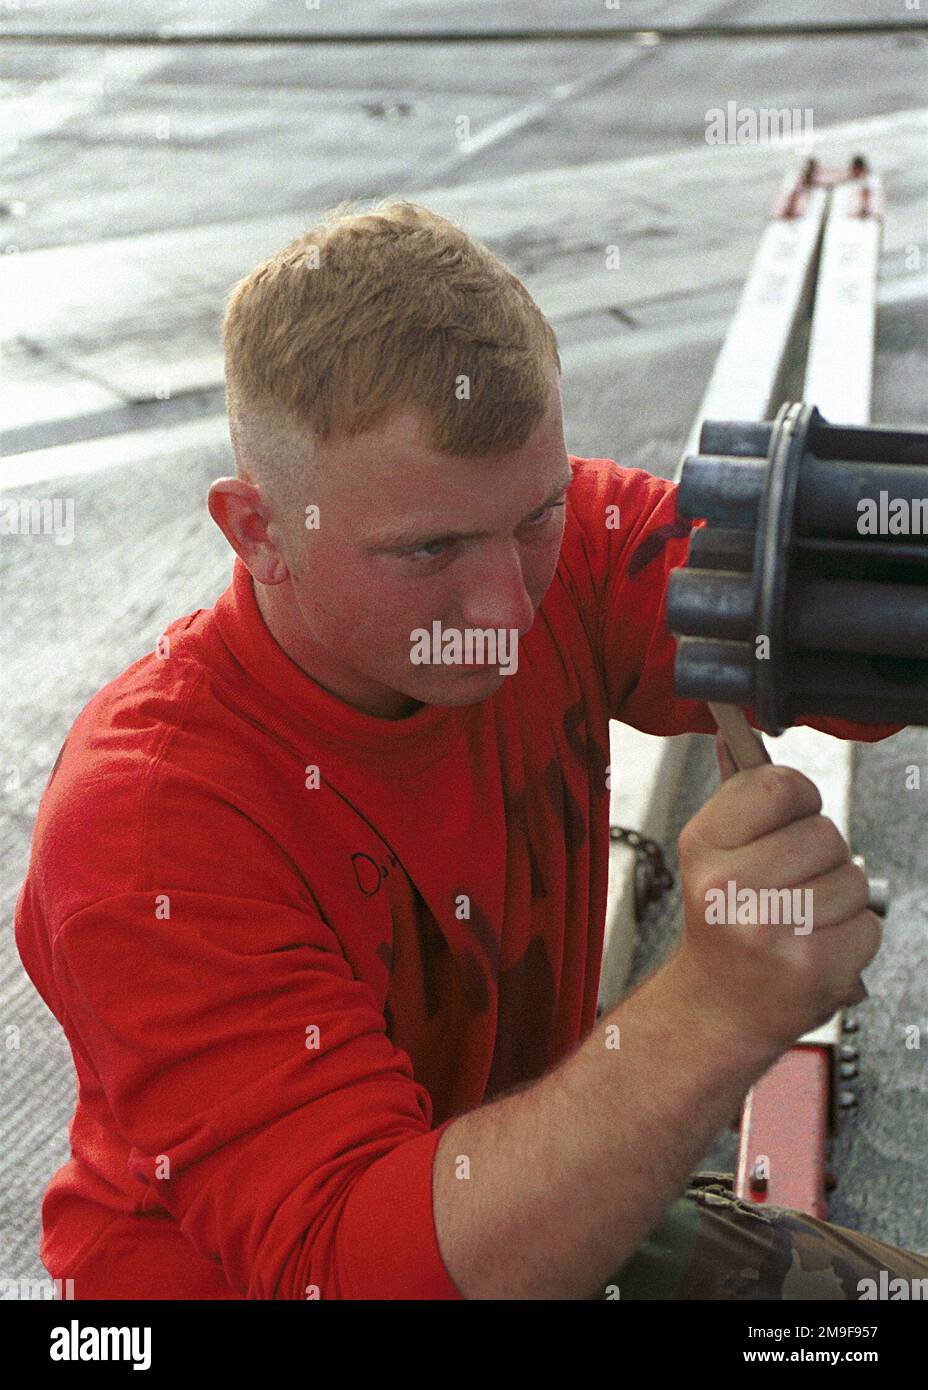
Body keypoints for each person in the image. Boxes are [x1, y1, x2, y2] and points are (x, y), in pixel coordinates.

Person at [14, 199, 928, 1300]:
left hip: (505, 1204)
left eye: (534, 515)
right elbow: (347, 1271)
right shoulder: (149, 829)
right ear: (258, 531)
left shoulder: (562, 553)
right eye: (427, 549)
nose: (503, 607)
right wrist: (711, 1011)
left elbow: (834, 606)